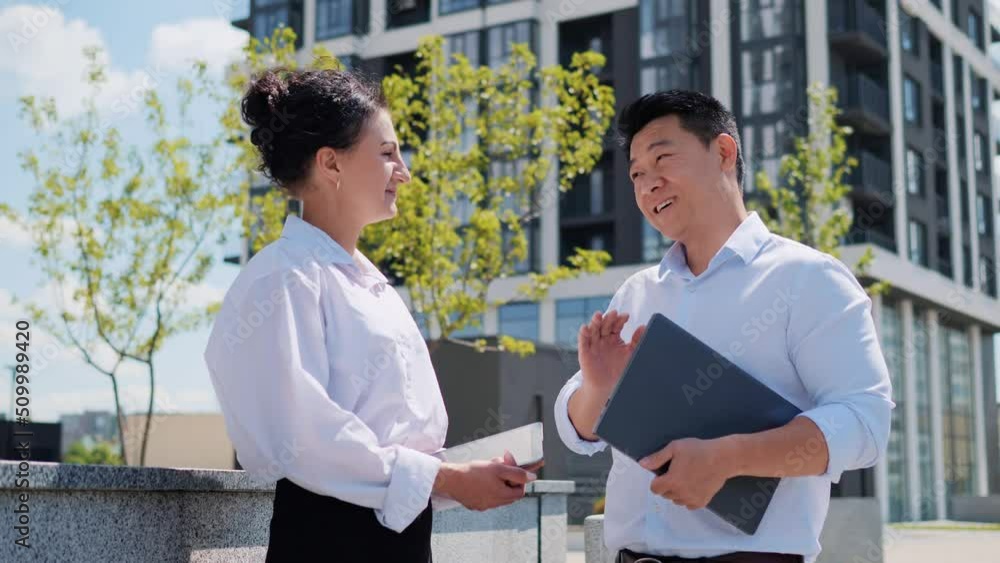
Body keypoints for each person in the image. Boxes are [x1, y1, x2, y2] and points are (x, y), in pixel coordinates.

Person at [203, 68, 541, 562]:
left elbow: (391, 440)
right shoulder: (282, 278)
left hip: (401, 537)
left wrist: (463, 476)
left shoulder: (370, 285)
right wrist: (447, 478)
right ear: (330, 163)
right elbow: (303, 438)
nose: (404, 171)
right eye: (387, 153)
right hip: (329, 541)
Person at [554, 90, 894, 563]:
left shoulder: (808, 279)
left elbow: (864, 424)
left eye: (662, 159)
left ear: (723, 152)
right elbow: (579, 431)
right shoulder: (636, 295)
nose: (648, 184)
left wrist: (729, 458)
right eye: (636, 174)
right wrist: (598, 388)